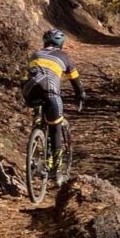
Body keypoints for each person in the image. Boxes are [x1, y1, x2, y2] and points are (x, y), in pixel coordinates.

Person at [22, 29, 85, 185]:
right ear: (61, 44)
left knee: (39, 111)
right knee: (55, 128)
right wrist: (80, 95)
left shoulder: (35, 54)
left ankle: (37, 130)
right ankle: (56, 172)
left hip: (29, 92)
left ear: (45, 42)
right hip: (50, 93)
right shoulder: (64, 57)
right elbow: (76, 82)